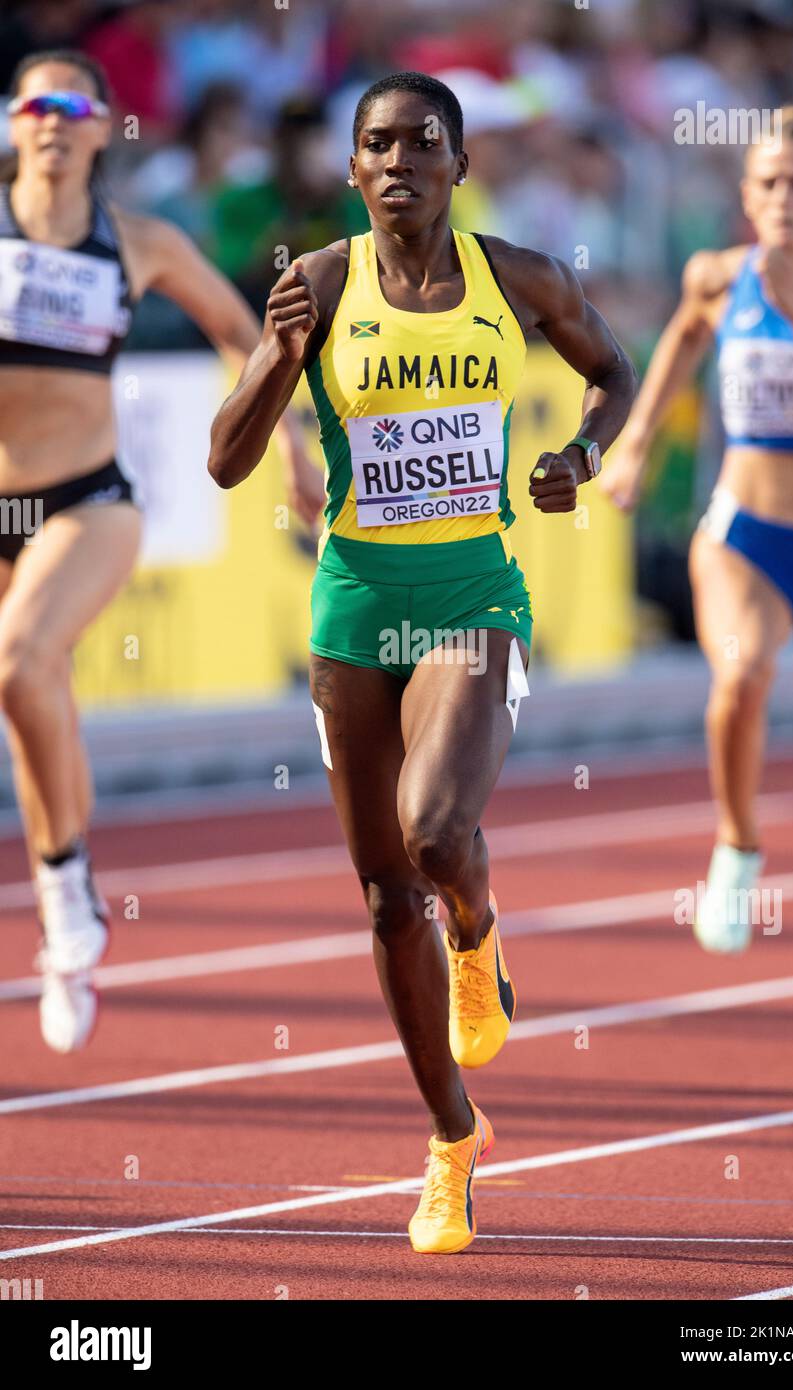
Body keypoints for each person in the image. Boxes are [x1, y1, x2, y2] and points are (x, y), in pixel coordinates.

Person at [209, 71, 635, 1254]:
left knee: (436, 834)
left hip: (472, 596)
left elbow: (616, 373)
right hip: (354, 606)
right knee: (382, 893)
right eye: (375, 145)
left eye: (421, 142)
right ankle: (453, 1140)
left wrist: (581, 456)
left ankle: (480, 929)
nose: (398, 161)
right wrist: (276, 360)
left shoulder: (520, 279)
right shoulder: (318, 287)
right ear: (351, 171)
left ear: (460, 164)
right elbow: (224, 462)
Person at [0, 49, 323, 1055]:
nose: (53, 120)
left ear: (102, 127)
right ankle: (74, 880)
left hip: (86, 500)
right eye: (35, 103)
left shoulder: (136, 242)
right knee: (32, 701)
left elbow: (247, 334)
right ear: (13, 123)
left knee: (22, 662)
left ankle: (61, 904)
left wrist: (296, 447)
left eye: (74, 105)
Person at [601, 107, 793, 1042]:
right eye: (766, 184)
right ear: (746, 197)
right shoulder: (719, 274)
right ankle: (738, 848)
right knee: (742, 671)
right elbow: (678, 340)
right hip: (745, 529)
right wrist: (632, 444)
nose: (782, 199)